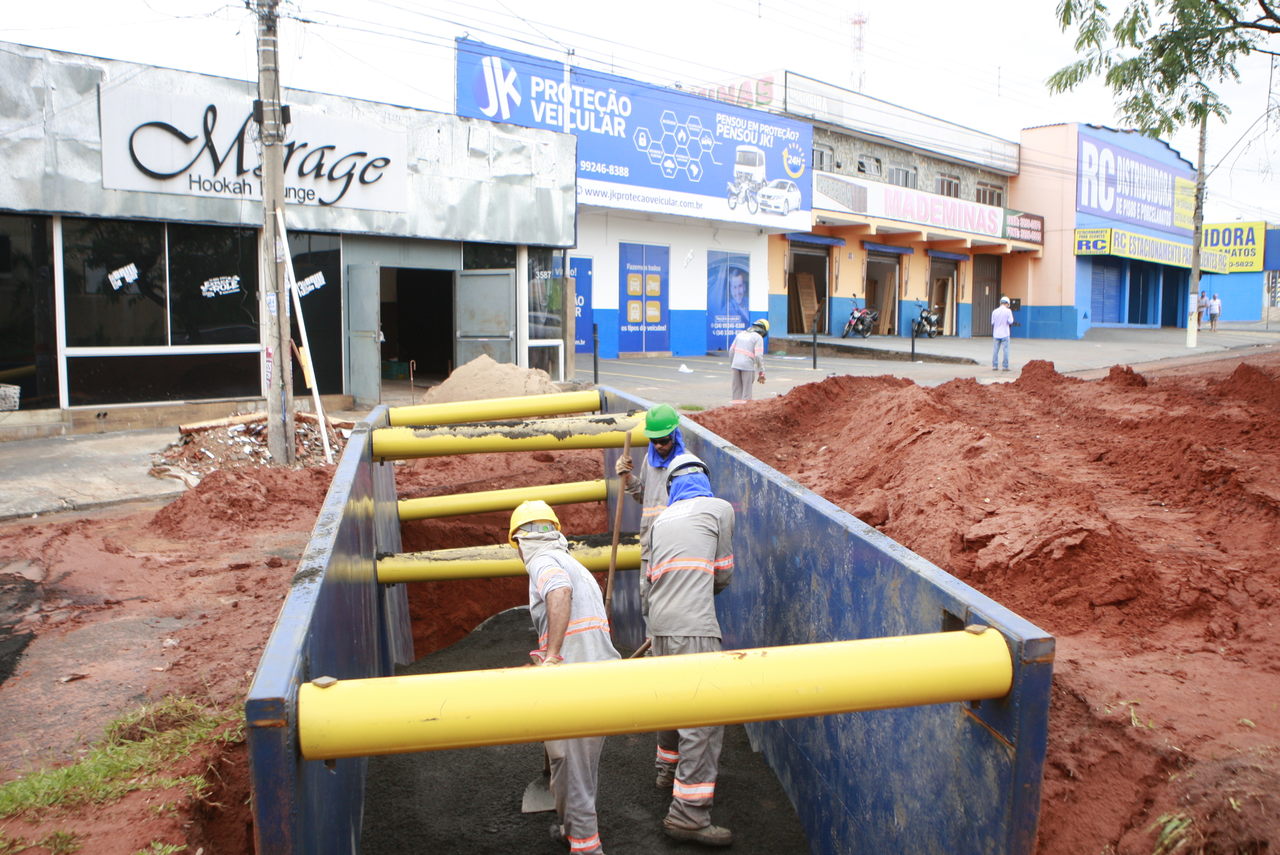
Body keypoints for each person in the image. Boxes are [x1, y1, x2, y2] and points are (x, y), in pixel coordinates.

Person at [509, 500, 620, 855]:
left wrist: (553, 655)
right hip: (598, 676)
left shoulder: (542, 562)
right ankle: (573, 831)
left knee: (573, 773)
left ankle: (586, 847)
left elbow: (558, 592)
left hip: (576, 681)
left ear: (519, 542)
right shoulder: (574, 564)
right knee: (576, 769)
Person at [644, 453, 736, 847]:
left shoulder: (660, 520)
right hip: (694, 626)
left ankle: (667, 770)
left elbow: (650, 580)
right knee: (703, 719)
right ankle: (688, 815)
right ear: (705, 480)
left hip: (660, 626)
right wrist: (699, 587)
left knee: (671, 702)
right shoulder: (719, 509)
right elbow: (723, 572)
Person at [616, 403, 686, 574]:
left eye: (663, 441)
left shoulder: (686, 465)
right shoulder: (649, 461)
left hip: (675, 549)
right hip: (650, 547)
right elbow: (643, 495)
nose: (658, 446)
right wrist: (627, 477)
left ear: (674, 435)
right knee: (647, 591)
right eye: (654, 441)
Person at [728, 318, 768, 400]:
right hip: (747, 366)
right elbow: (758, 356)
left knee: (736, 391)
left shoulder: (740, 334)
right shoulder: (758, 338)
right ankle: (745, 407)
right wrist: (761, 373)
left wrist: (733, 364)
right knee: (747, 392)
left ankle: (735, 407)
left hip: (735, 365)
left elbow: (731, 351)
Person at [991, 295, 1014, 372]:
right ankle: (1005, 366)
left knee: (995, 350)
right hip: (1005, 333)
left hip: (996, 334)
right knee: (1006, 350)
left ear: (1000, 303)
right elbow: (1011, 321)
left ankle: (994, 366)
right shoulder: (1008, 311)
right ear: (1007, 303)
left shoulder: (994, 311)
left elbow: (992, 322)